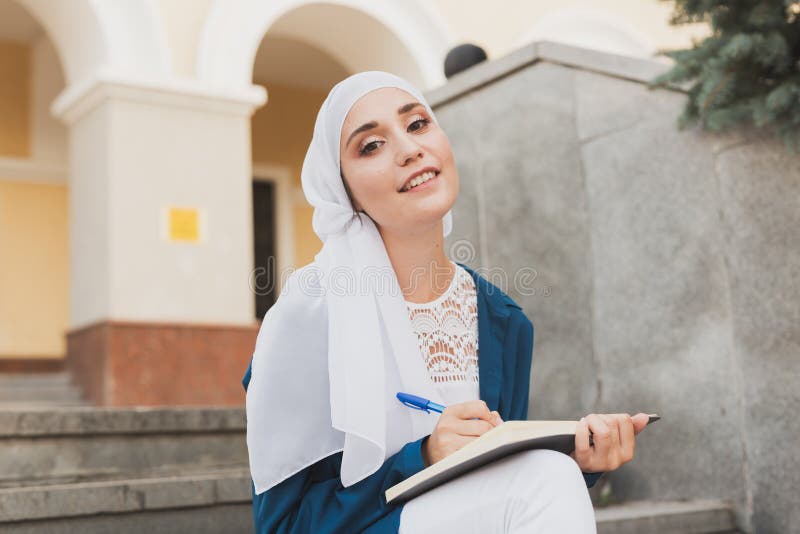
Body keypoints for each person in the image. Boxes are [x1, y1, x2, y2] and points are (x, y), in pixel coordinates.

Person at [242, 70, 651, 533]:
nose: (409, 149)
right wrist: (424, 456)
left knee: (551, 474)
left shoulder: (502, 319)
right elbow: (283, 525)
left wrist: (579, 457)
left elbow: (495, 488)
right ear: (344, 194)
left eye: (417, 124)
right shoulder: (310, 316)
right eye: (370, 145)